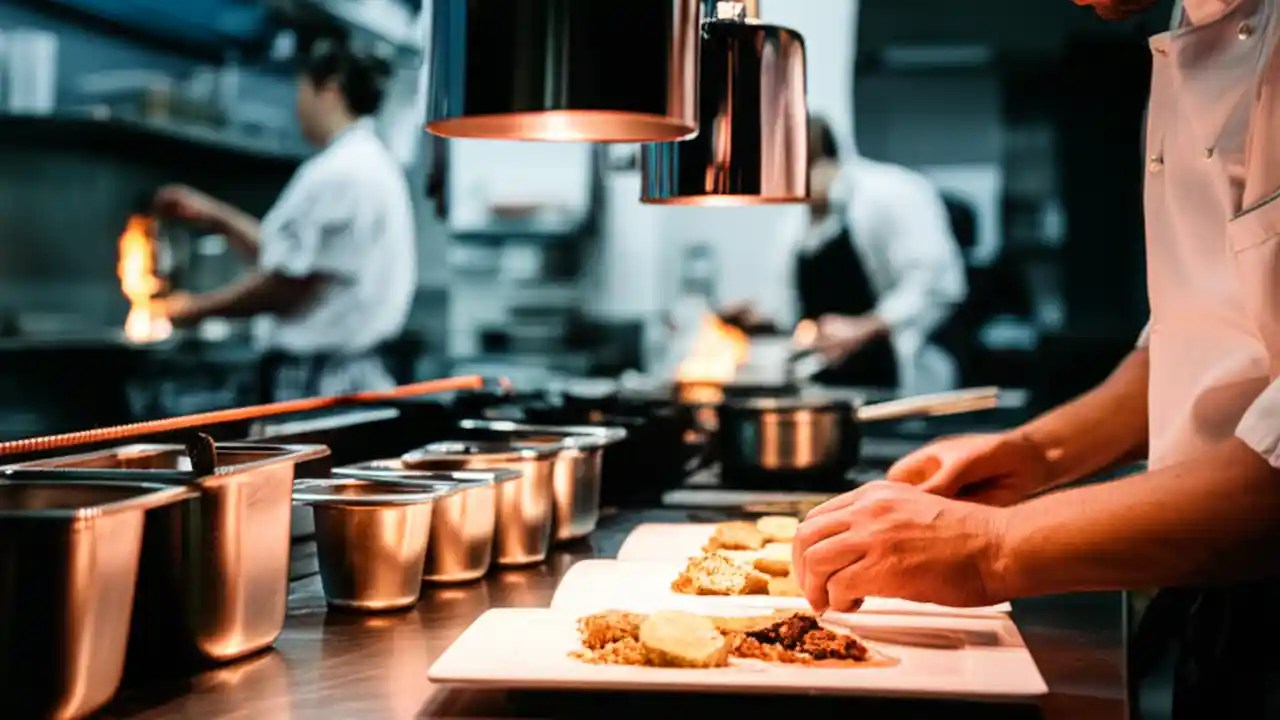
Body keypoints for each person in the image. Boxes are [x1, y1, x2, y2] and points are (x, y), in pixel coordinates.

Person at [791, 0, 1280, 714]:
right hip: (1213, 587)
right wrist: (1034, 455)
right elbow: (1198, 335)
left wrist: (991, 547)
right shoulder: (1186, 32)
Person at [153, 39, 417, 401]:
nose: (297, 106)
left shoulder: (337, 172)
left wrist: (192, 310)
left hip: (318, 383)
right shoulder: (370, 163)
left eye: (301, 91)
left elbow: (290, 285)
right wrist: (217, 217)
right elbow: (290, 258)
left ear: (329, 89)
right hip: (346, 373)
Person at [722, 115, 967, 394]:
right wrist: (759, 318)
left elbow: (936, 286)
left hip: (900, 378)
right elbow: (793, 308)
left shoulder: (892, 193)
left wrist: (862, 328)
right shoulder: (795, 222)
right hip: (832, 384)